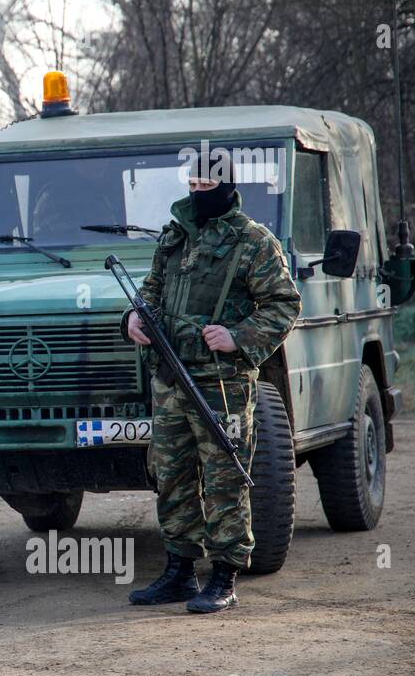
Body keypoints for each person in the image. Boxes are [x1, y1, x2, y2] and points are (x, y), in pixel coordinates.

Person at [125, 172, 301, 613]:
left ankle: (224, 575)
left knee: (225, 476)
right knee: (171, 476)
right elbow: (151, 292)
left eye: (206, 184)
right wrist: (131, 318)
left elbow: (284, 302)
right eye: (192, 183)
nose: (197, 192)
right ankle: (179, 571)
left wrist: (239, 336)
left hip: (221, 382)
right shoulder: (174, 236)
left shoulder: (254, 240)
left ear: (227, 185)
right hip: (170, 376)